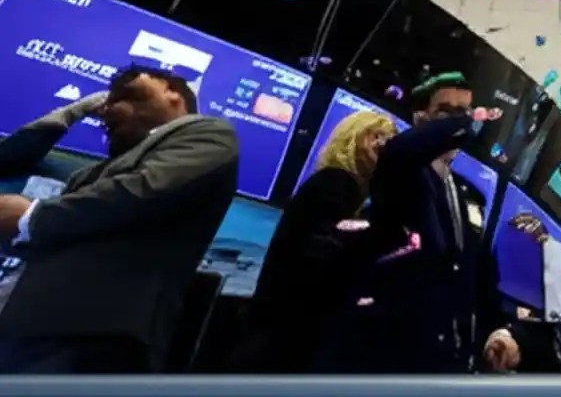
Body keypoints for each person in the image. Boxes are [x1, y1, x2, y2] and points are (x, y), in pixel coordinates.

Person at [0, 65, 239, 373]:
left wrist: (30, 216)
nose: (109, 107)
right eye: (107, 103)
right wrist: (73, 110)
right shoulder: (89, 173)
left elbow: (141, 193)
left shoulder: (210, 133)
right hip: (30, 328)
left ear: (173, 92)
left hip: (96, 336)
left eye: (128, 94)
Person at [319, 72, 499, 373]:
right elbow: (400, 151)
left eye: (464, 113)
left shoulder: (464, 193)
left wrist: (494, 333)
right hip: (386, 354)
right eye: (446, 111)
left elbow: (471, 272)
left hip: (444, 359)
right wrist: (466, 122)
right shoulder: (401, 172)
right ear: (421, 118)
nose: (459, 122)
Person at [230, 111, 396, 373]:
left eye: (390, 140)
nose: (385, 147)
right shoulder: (338, 184)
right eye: (377, 137)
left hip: (282, 327)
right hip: (286, 331)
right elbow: (326, 259)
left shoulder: (339, 184)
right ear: (356, 138)